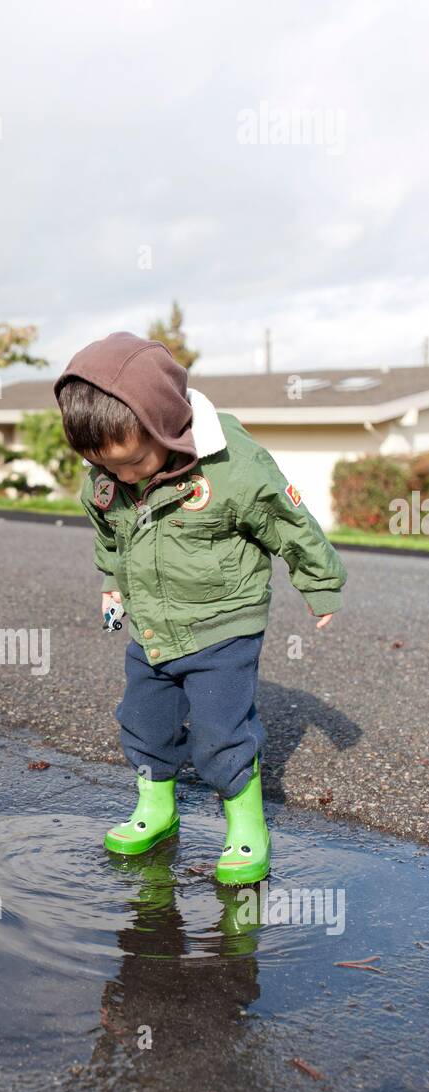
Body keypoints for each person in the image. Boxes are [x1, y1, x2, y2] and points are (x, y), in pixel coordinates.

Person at [54, 332, 347, 884]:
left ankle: (246, 827)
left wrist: (320, 583)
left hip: (223, 627)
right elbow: (110, 535)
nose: (122, 477)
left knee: (219, 733)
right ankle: (157, 810)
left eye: (134, 462)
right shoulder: (107, 476)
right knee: (143, 723)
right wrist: (112, 586)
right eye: (106, 467)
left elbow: (288, 521)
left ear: (165, 423)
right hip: (150, 628)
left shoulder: (229, 466)